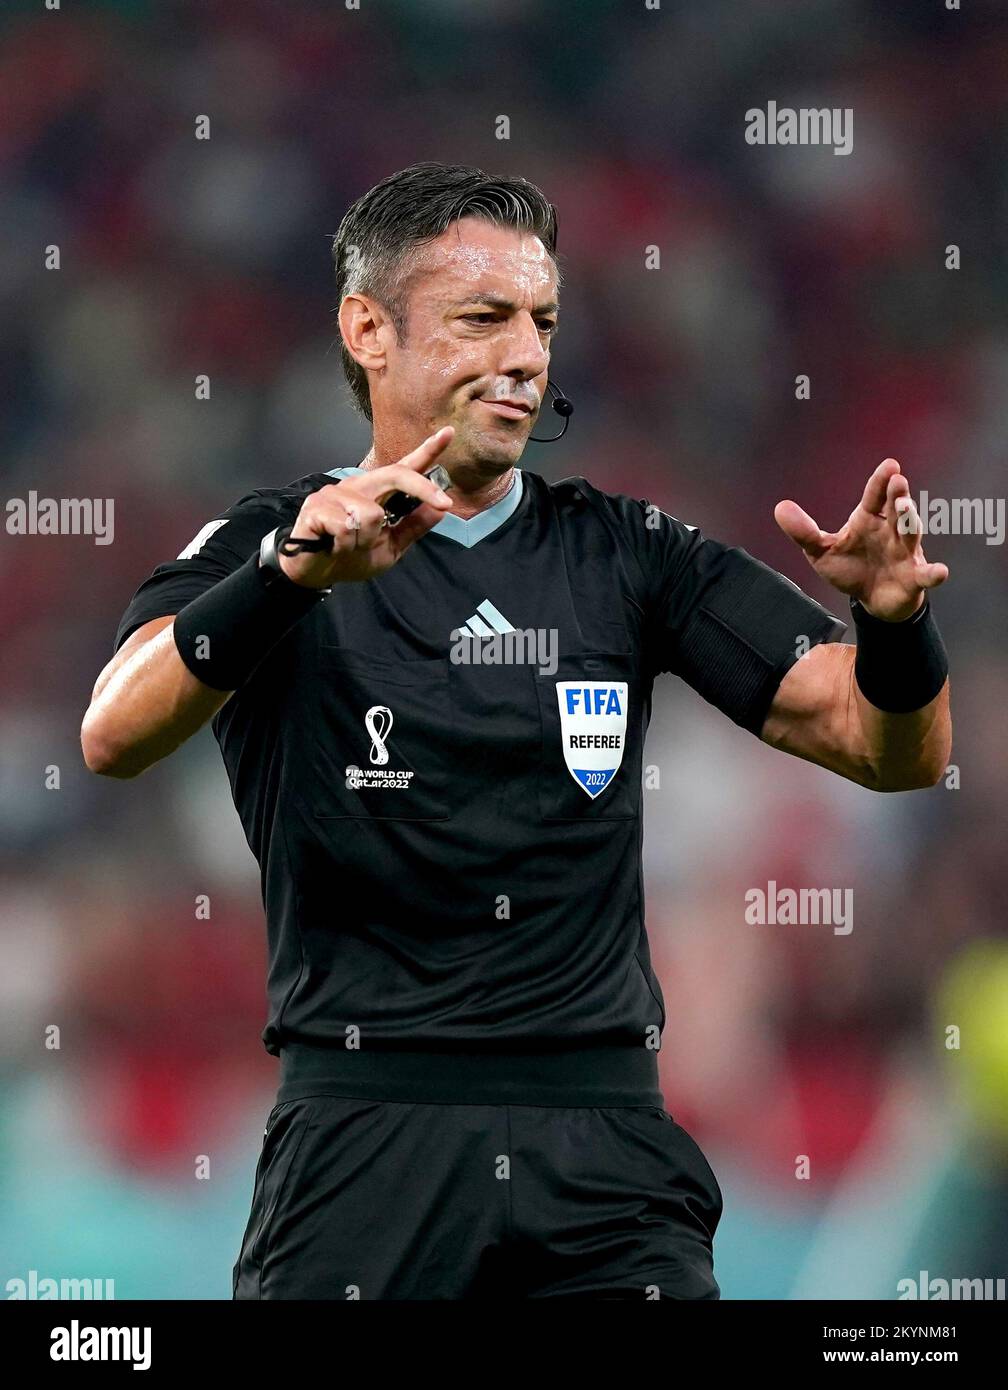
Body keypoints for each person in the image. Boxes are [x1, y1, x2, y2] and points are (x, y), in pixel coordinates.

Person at [80, 162, 951, 1300]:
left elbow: (894, 750)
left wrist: (895, 625)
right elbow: (113, 730)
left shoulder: (632, 554)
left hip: (604, 1151)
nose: (527, 354)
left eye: (543, 321)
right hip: (362, 1134)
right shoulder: (270, 544)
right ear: (368, 330)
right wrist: (288, 576)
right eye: (484, 317)